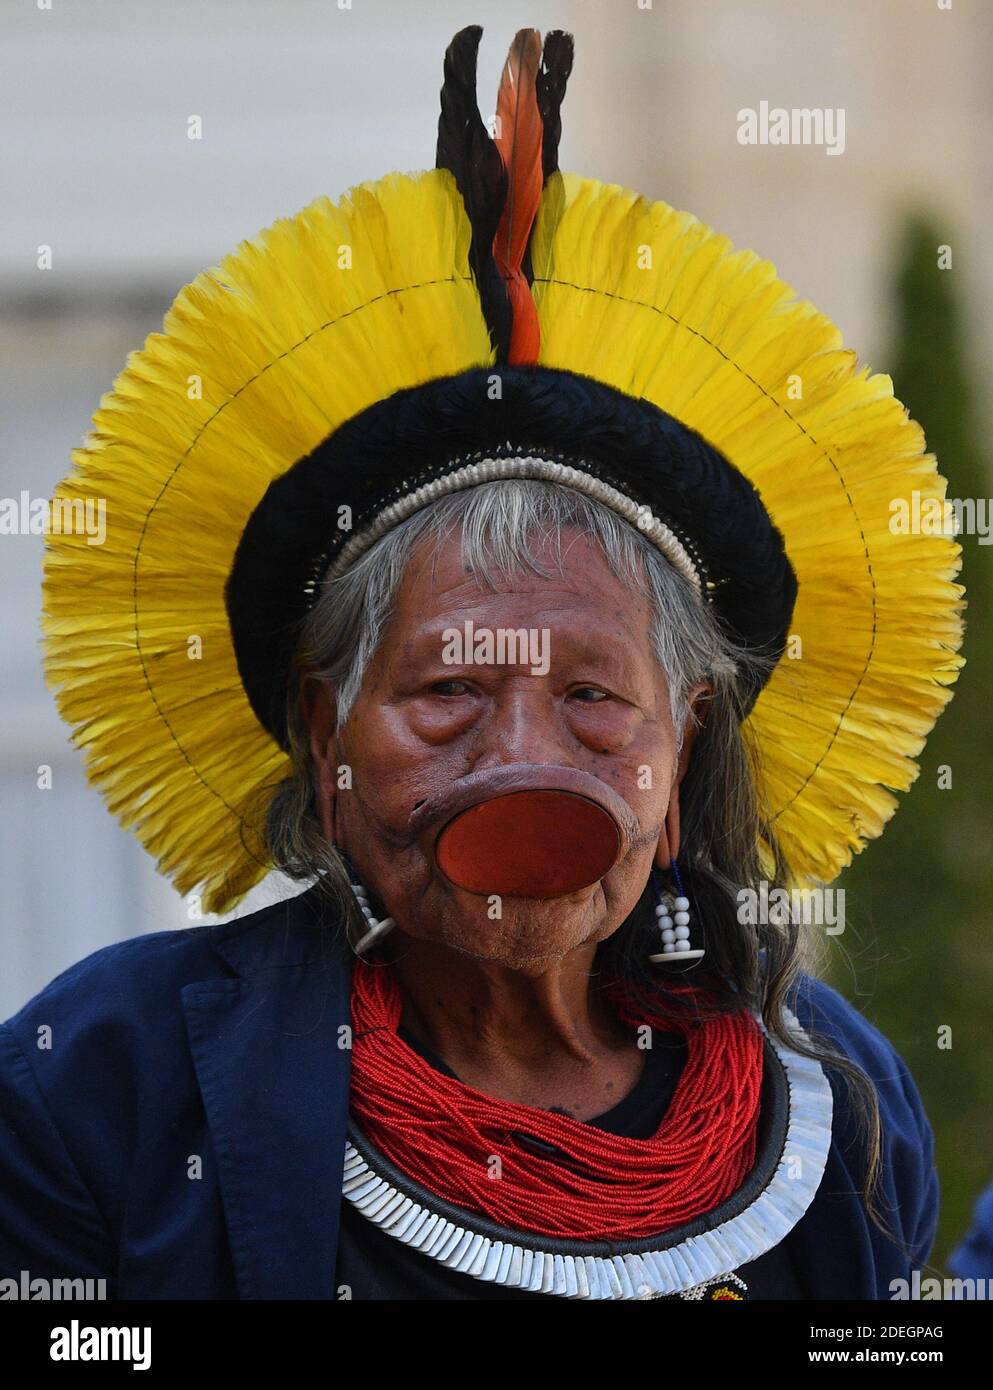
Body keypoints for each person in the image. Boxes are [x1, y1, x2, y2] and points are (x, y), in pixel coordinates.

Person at [0, 25, 963, 1301]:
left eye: (594, 698)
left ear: (685, 751)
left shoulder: (837, 1098)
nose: (522, 758)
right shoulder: (102, 1084)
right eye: (448, 691)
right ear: (324, 735)